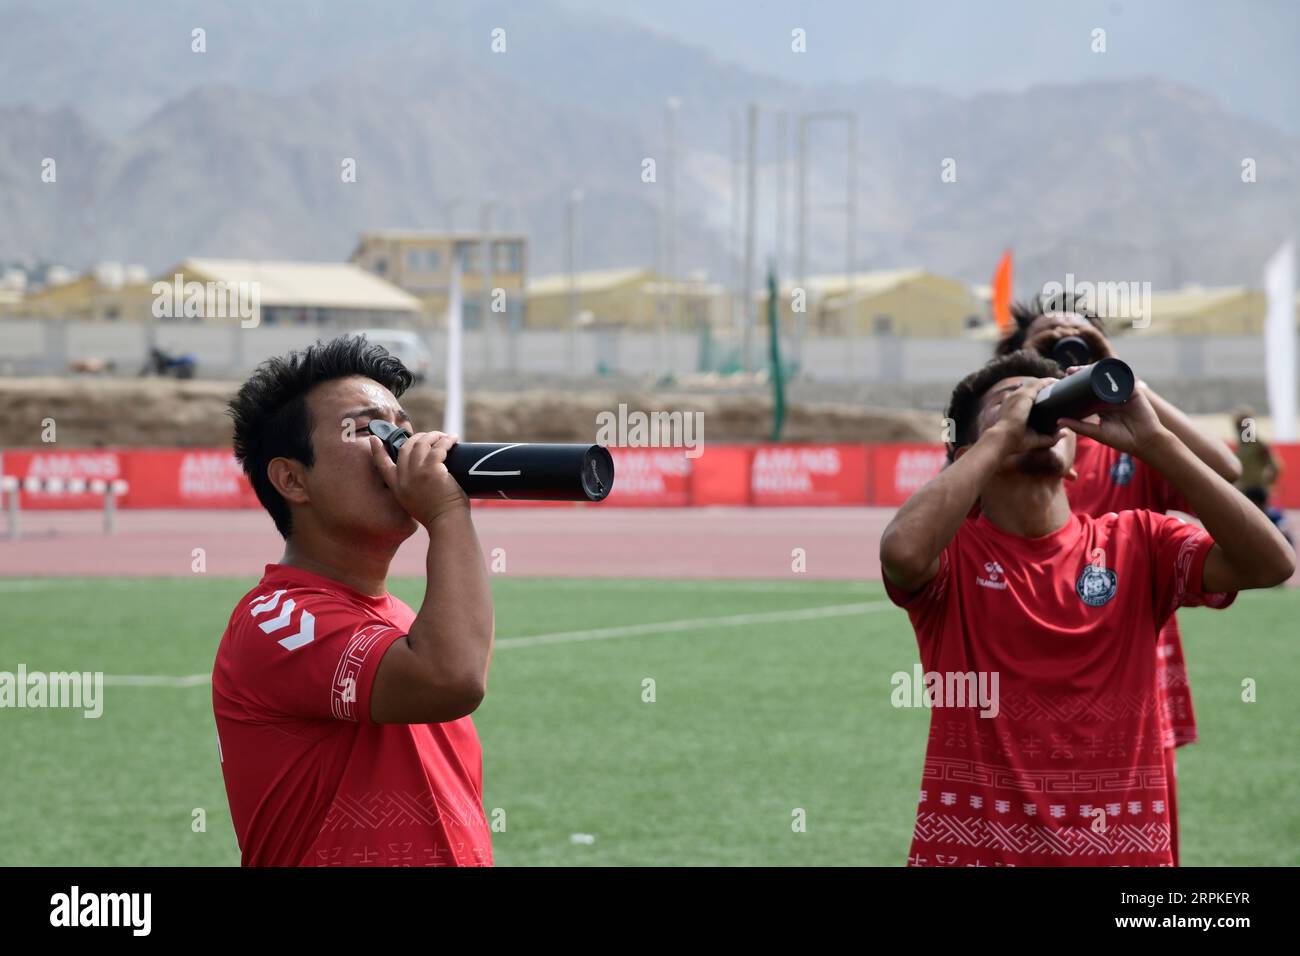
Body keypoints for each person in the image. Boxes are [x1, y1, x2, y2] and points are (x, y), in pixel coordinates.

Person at [880, 350, 1293, 866]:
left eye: (1046, 399)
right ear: (971, 452)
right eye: (1010, 401)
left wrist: (1156, 443)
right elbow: (900, 553)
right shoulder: (952, 557)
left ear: (1077, 458)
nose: (1035, 408)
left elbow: (1271, 564)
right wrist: (1001, 439)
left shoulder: (1140, 541)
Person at [213, 335, 495, 866]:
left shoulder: (405, 624)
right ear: (292, 479)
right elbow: (453, 678)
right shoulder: (275, 619)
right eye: (368, 429)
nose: (402, 447)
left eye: (404, 428)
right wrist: (448, 514)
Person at [995, 292, 1242, 864]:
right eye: (1047, 339)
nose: (1066, 346)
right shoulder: (1007, 444)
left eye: (1081, 338)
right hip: (1035, 645)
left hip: (1130, 647)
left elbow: (1225, 473)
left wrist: (1127, 382)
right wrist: (1023, 371)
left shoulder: (1125, 436)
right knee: (1026, 787)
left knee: (1139, 790)